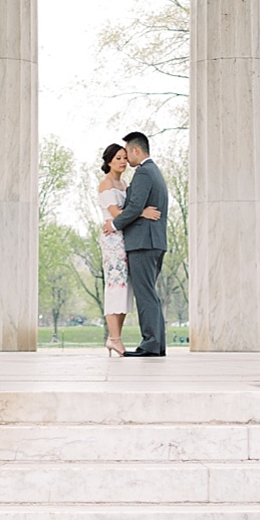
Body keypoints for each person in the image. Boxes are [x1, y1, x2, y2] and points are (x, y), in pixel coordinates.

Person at [110, 128, 170, 357]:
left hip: (143, 242)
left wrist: (115, 224)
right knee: (149, 294)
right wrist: (140, 211)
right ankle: (157, 344)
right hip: (153, 241)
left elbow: (134, 206)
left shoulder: (144, 173)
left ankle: (150, 345)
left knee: (145, 294)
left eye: (127, 152)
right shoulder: (155, 171)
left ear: (136, 150)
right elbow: (139, 208)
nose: (126, 157)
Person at [96, 142, 133, 356]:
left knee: (126, 287)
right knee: (115, 284)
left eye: (125, 158)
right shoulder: (106, 184)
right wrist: (142, 213)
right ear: (109, 160)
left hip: (126, 237)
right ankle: (115, 339)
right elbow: (117, 215)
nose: (122, 162)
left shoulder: (124, 184)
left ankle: (114, 338)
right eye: (118, 158)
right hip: (113, 239)